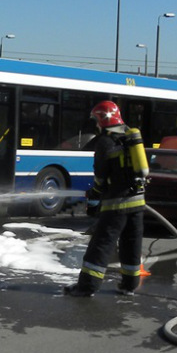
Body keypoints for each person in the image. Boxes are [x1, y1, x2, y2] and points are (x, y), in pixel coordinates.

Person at [64, 101, 146, 297]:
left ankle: (87, 286)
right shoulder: (129, 138)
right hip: (138, 202)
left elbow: (100, 176)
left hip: (116, 203)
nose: (96, 125)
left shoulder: (105, 141)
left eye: (96, 120)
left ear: (102, 119)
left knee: (101, 244)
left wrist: (94, 195)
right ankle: (129, 285)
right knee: (132, 244)